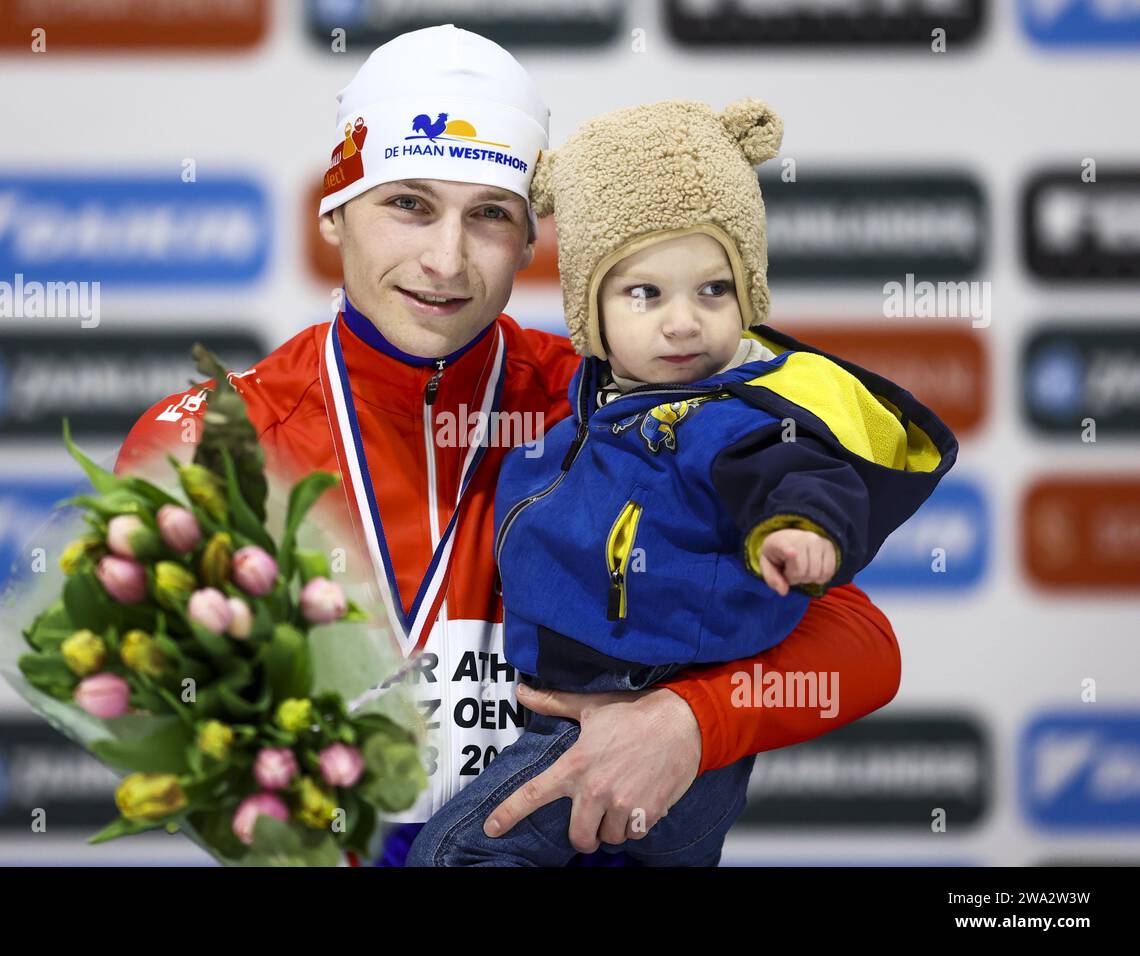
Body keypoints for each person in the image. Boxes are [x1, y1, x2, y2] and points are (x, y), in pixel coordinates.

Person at [112, 24, 905, 867]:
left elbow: (861, 647)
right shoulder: (213, 442)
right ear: (336, 212)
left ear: (532, 242)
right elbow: (153, 711)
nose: (445, 260)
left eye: (489, 215)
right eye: (408, 203)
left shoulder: (613, 409)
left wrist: (686, 723)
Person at [404, 100, 958, 866]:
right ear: (589, 310)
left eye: (713, 290)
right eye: (645, 294)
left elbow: (792, 475)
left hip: (635, 706)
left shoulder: (716, 410)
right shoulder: (604, 402)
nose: (682, 324)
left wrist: (797, 532)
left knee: (453, 857)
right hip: (603, 729)